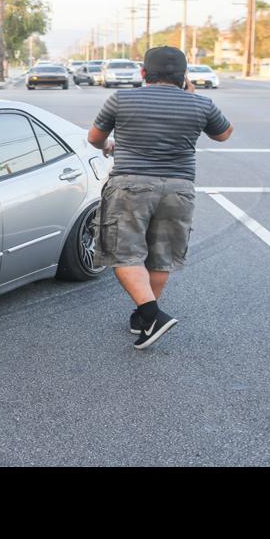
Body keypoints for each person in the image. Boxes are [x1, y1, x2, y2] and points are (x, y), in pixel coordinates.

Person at [87, 46, 232, 349]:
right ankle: (143, 319)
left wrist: (112, 145)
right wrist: (189, 96)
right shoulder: (200, 104)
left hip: (131, 186)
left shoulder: (121, 99)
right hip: (179, 188)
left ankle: (152, 314)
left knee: (123, 252)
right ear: (184, 76)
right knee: (161, 254)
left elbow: (94, 138)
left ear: (143, 73)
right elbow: (223, 134)